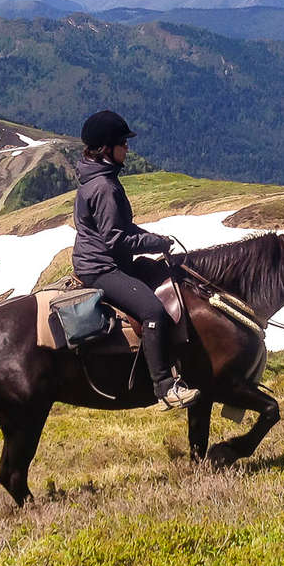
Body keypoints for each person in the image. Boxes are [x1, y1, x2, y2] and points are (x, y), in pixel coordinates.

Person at [72, 110, 201, 409]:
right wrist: (158, 241)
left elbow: (121, 229)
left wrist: (153, 239)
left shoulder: (97, 177)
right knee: (153, 312)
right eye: (122, 143)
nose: (127, 148)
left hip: (104, 260)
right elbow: (117, 239)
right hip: (102, 268)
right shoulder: (105, 187)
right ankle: (164, 387)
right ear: (107, 148)